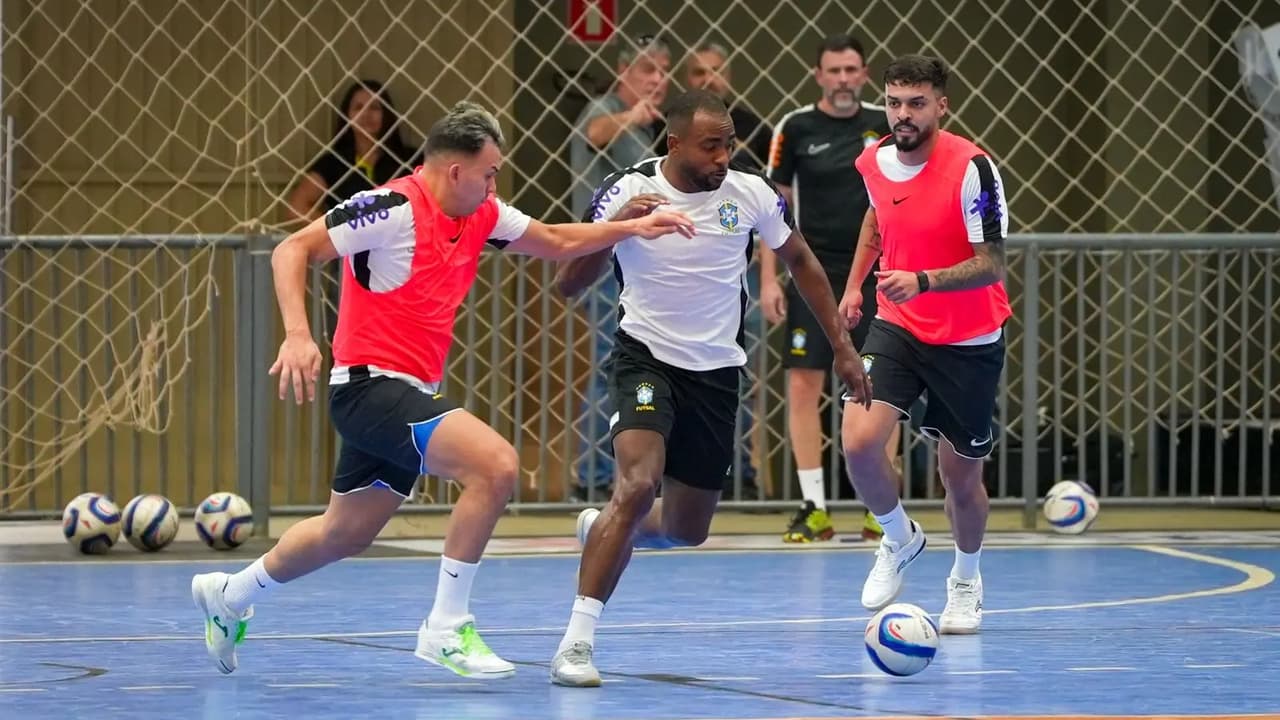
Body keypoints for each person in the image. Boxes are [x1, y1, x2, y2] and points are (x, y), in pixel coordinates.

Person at [189, 101, 696, 679]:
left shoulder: (483, 213)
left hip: (408, 389)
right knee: (495, 466)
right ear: (456, 171)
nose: (495, 184)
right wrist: (299, 335)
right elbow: (292, 249)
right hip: (369, 388)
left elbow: (555, 239)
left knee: (343, 533)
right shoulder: (390, 208)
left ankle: (228, 595)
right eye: (489, 173)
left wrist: (628, 227)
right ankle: (446, 627)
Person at [545, 89, 873, 687]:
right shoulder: (626, 190)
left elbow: (801, 262)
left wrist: (844, 347)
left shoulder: (750, 194)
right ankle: (576, 643)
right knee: (638, 484)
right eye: (710, 146)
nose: (723, 156)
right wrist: (620, 227)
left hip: (717, 374)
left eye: (728, 144)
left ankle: (604, 527)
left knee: (686, 529)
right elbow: (567, 283)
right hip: (644, 360)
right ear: (674, 144)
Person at [840, 55, 1011, 635]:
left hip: (968, 337)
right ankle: (898, 536)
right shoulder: (873, 160)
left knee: (958, 477)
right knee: (859, 441)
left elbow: (992, 264)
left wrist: (925, 280)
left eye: (916, 103)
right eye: (894, 103)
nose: (903, 115)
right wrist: (854, 286)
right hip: (899, 325)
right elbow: (876, 219)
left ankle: (966, 579)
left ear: (941, 105)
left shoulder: (974, 170)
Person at [763, 34, 896, 544]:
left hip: (876, 274)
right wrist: (770, 278)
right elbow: (774, 209)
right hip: (811, 275)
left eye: (851, 70)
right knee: (803, 383)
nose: (842, 79)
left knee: (882, 385)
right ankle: (813, 507)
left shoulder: (886, 125)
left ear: (864, 75)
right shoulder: (795, 127)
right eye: (833, 71)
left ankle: (880, 508)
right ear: (818, 75)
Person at [567, 33, 672, 503]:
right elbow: (595, 133)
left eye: (663, 71)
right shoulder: (607, 110)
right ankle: (592, 474)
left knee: (635, 366)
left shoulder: (649, 127)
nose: (657, 80)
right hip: (607, 262)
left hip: (637, 267)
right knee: (611, 365)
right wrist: (632, 115)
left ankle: (623, 471)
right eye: (648, 69)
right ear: (623, 72)